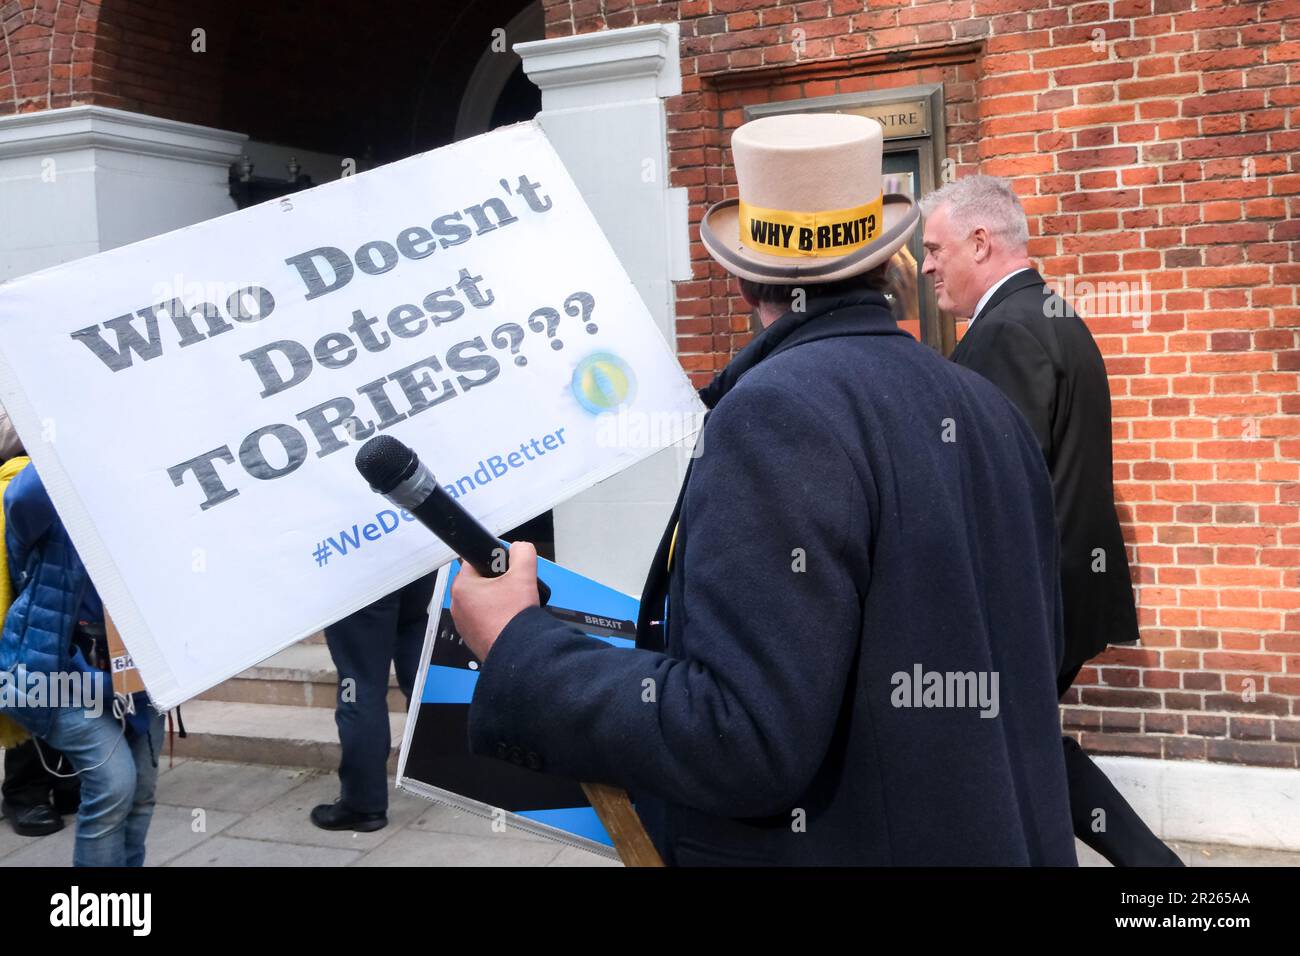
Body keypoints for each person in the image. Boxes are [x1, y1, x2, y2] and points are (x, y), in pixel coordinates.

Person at [448, 113, 1076, 865]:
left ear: (744, 274)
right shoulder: (985, 408)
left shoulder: (777, 413)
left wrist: (520, 647)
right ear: (885, 263)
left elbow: (739, 738)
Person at [921, 174, 1182, 866]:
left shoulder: (1006, 332)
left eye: (934, 248)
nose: (925, 266)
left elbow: (997, 490)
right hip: (1062, 594)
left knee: (1006, 741)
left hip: (1032, 603)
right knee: (1020, 743)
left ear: (980, 242)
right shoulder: (1053, 314)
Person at [1, 459, 165, 866]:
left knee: (141, 793)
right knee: (113, 785)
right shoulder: (40, 507)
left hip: (137, 673)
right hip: (59, 673)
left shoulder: (139, 505)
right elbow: (24, 495)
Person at [0, 413, 80, 836]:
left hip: (66, 511)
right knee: (31, 658)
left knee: (70, 660)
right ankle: (25, 791)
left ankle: (68, 776)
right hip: (19, 500)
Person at [310, 572, 436, 832]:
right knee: (415, 651)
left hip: (358, 569)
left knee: (360, 686)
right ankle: (440, 771)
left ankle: (363, 805)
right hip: (412, 561)